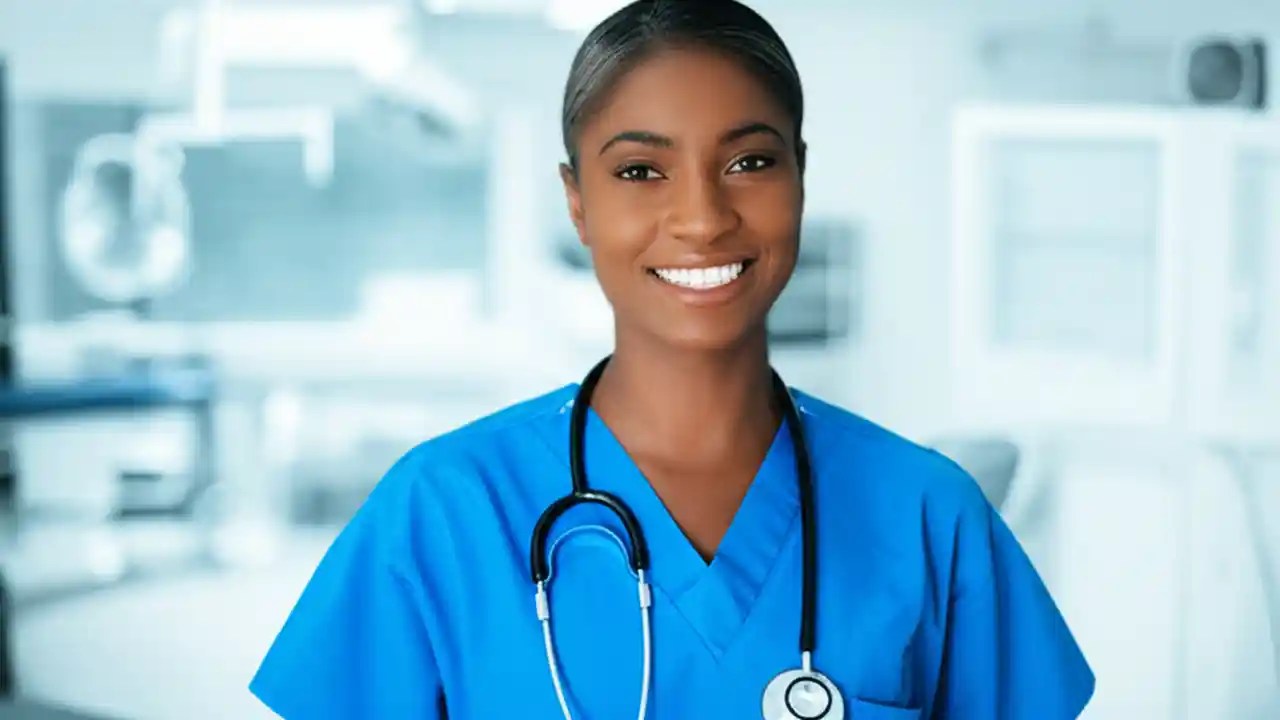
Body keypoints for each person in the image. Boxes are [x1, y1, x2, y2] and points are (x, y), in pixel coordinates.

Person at [249, 1, 1095, 718]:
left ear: (800, 178)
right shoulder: (442, 512)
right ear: (577, 203)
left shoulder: (928, 516)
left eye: (750, 162)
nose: (702, 216)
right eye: (641, 170)